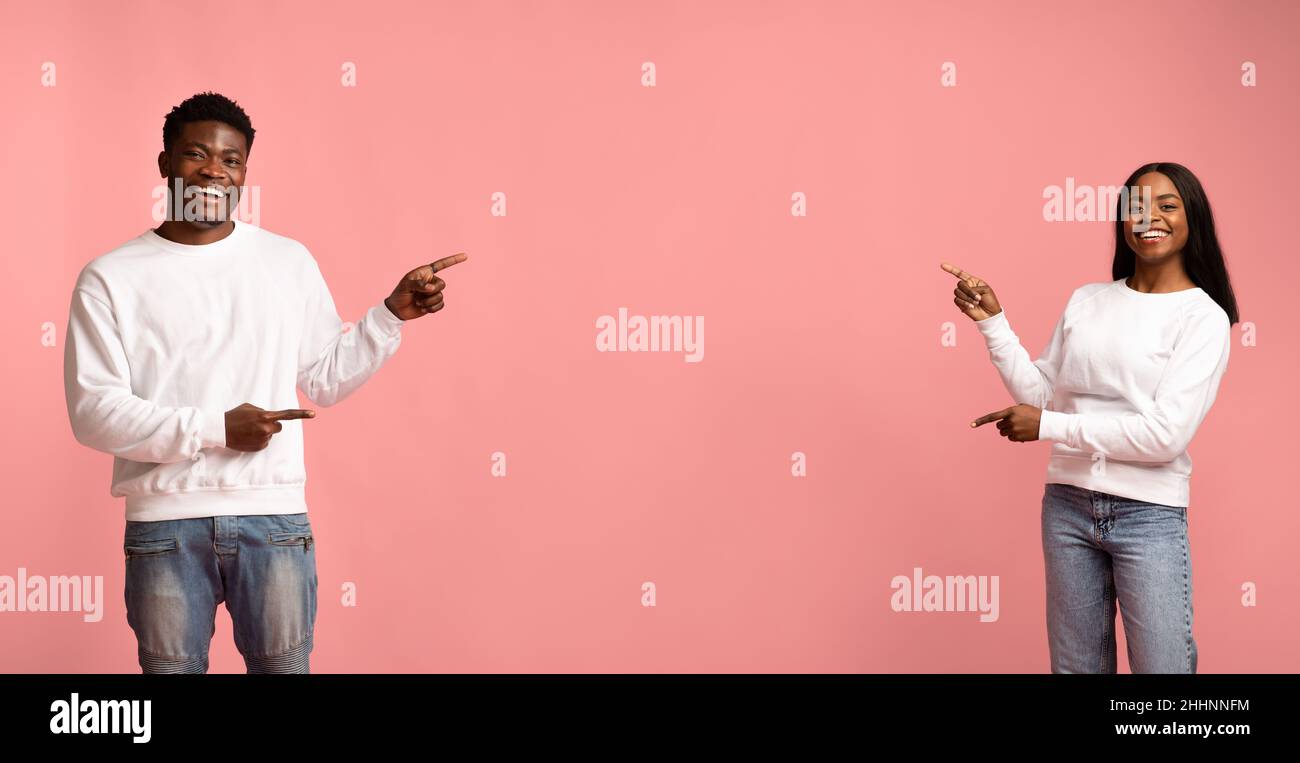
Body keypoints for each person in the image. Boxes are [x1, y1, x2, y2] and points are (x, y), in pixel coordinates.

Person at [62, 91, 468, 673]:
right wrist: (216, 428)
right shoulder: (110, 277)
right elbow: (94, 412)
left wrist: (387, 316)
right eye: (195, 154)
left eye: (231, 160)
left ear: (244, 174)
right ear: (164, 165)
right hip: (165, 524)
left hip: (273, 518)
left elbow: (324, 378)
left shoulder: (286, 262)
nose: (213, 171)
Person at [941, 161, 1239, 673]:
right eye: (1137, 206)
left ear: (1193, 218)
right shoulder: (1089, 299)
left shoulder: (1202, 317)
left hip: (1149, 515)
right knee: (1076, 669)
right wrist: (993, 322)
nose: (1151, 217)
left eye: (1168, 205)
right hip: (1067, 508)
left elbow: (1163, 437)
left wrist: (1048, 428)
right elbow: (1043, 393)